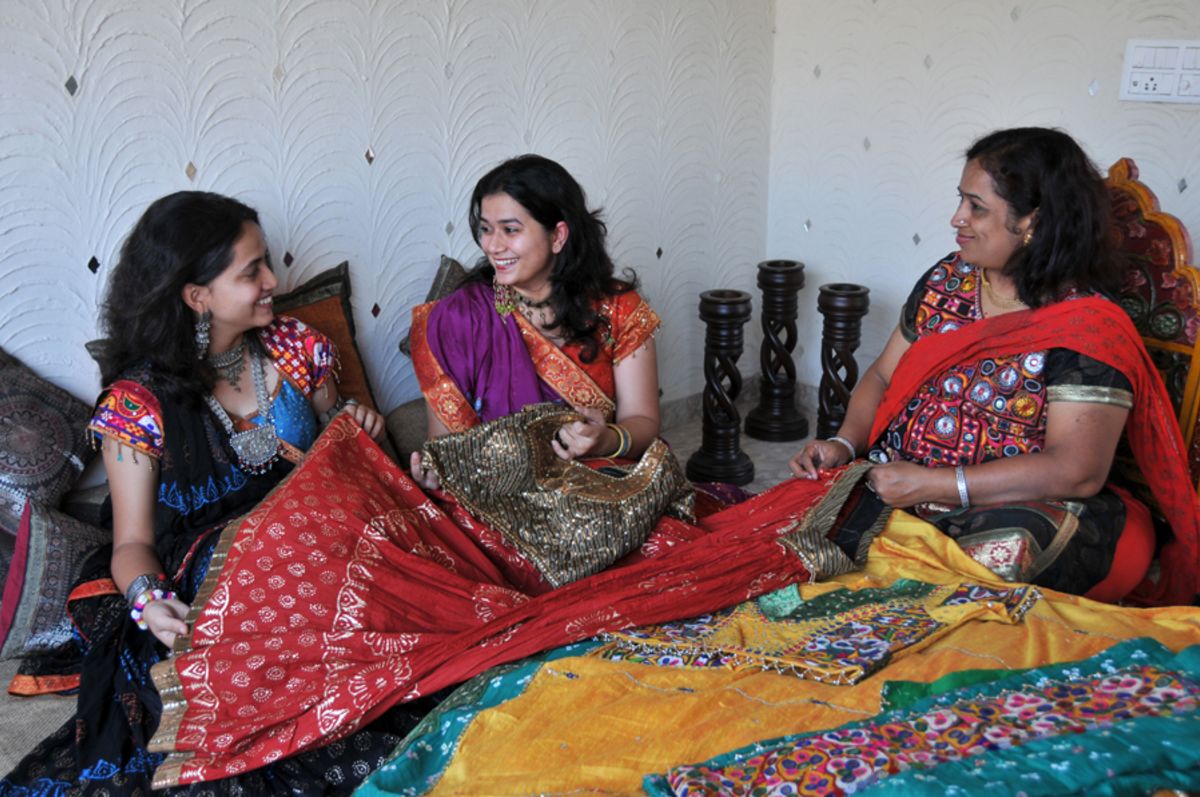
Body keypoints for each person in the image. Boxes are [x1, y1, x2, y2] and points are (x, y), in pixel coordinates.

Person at [0, 191, 416, 796]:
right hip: (218, 575)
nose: (274, 280)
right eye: (252, 271)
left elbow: (341, 445)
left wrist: (360, 424)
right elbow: (134, 543)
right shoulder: (136, 406)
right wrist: (149, 603)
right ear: (197, 297)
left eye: (266, 262)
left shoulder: (297, 349)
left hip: (319, 550)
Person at [790, 127, 1198, 605]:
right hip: (900, 479)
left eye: (976, 207)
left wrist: (938, 484)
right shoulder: (948, 277)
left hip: (1013, 504)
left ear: (1034, 223)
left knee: (1000, 552)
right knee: (791, 520)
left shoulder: (1085, 325)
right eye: (961, 201)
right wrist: (844, 442)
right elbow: (882, 375)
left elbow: (1077, 469)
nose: (957, 218)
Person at [408, 154, 662, 489]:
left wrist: (607, 440)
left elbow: (643, 421)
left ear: (558, 236)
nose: (493, 246)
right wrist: (435, 473)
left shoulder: (619, 309)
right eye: (486, 229)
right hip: (496, 498)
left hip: (598, 487)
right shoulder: (459, 318)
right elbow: (444, 448)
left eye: (510, 230)